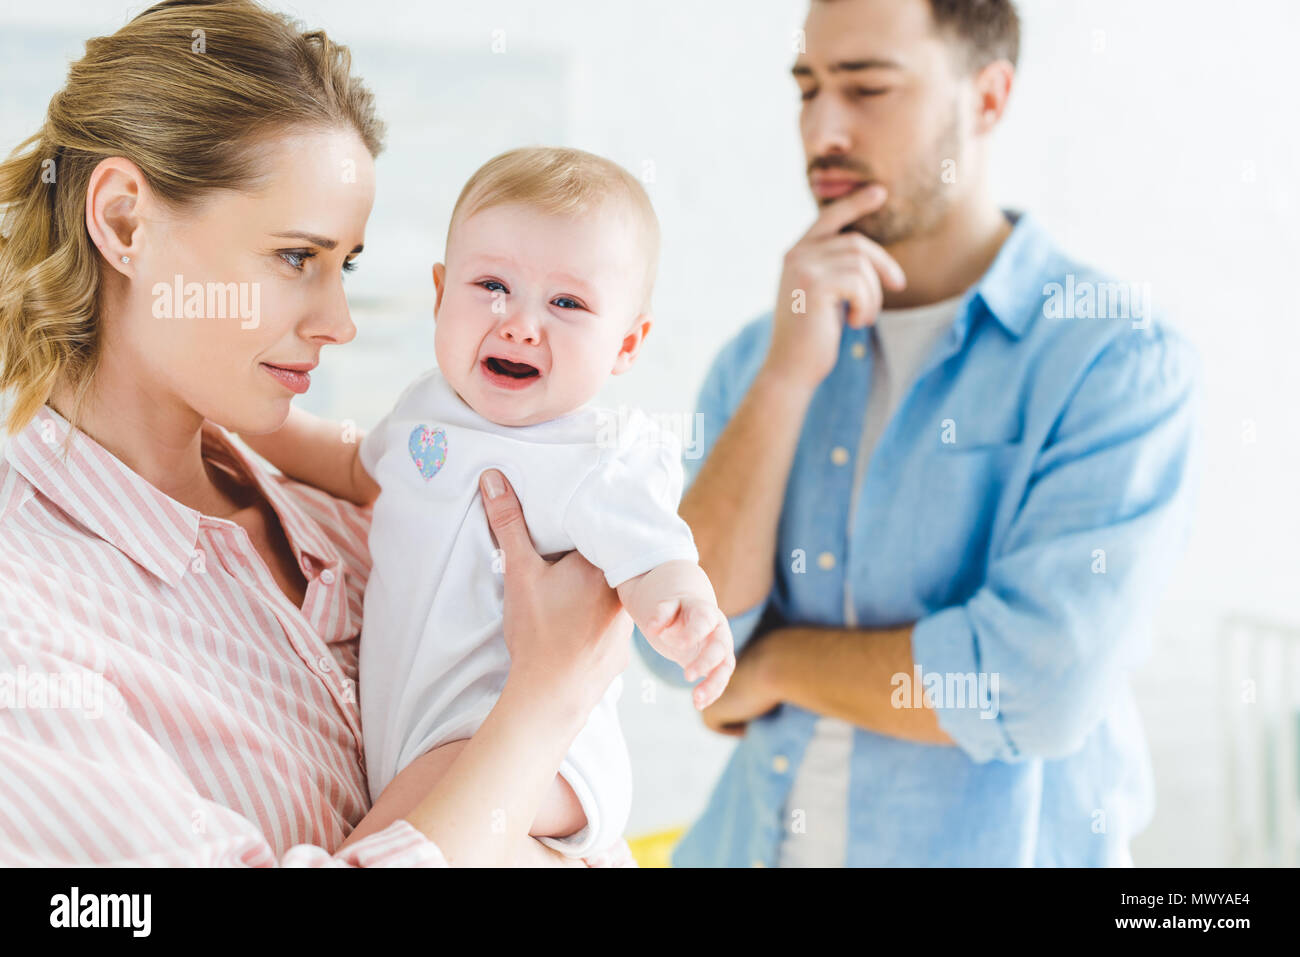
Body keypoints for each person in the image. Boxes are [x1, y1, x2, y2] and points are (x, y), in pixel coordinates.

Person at [0, 0, 632, 868]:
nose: (339, 322)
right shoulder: (25, 625)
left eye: (348, 264)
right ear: (123, 222)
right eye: (297, 257)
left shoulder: (359, 524)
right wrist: (546, 699)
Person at [636, 0, 1200, 866]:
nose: (823, 127)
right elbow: (679, 653)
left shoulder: (1116, 359)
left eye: (866, 88)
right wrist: (787, 380)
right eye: (808, 88)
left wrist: (776, 665)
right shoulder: (761, 354)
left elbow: (1036, 686)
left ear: (987, 97)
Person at [241, 146, 735, 859]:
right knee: (418, 802)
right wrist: (253, 420)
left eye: (567, 302)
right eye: (492, 285)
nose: (520, 323)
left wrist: (683, 609)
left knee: (402, 828)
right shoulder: (425, 410)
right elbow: (354, 467)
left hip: (532, 755)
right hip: (423, 739)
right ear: (441, 294)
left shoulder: (601, 456)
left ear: (627, 342)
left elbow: (658, 553)